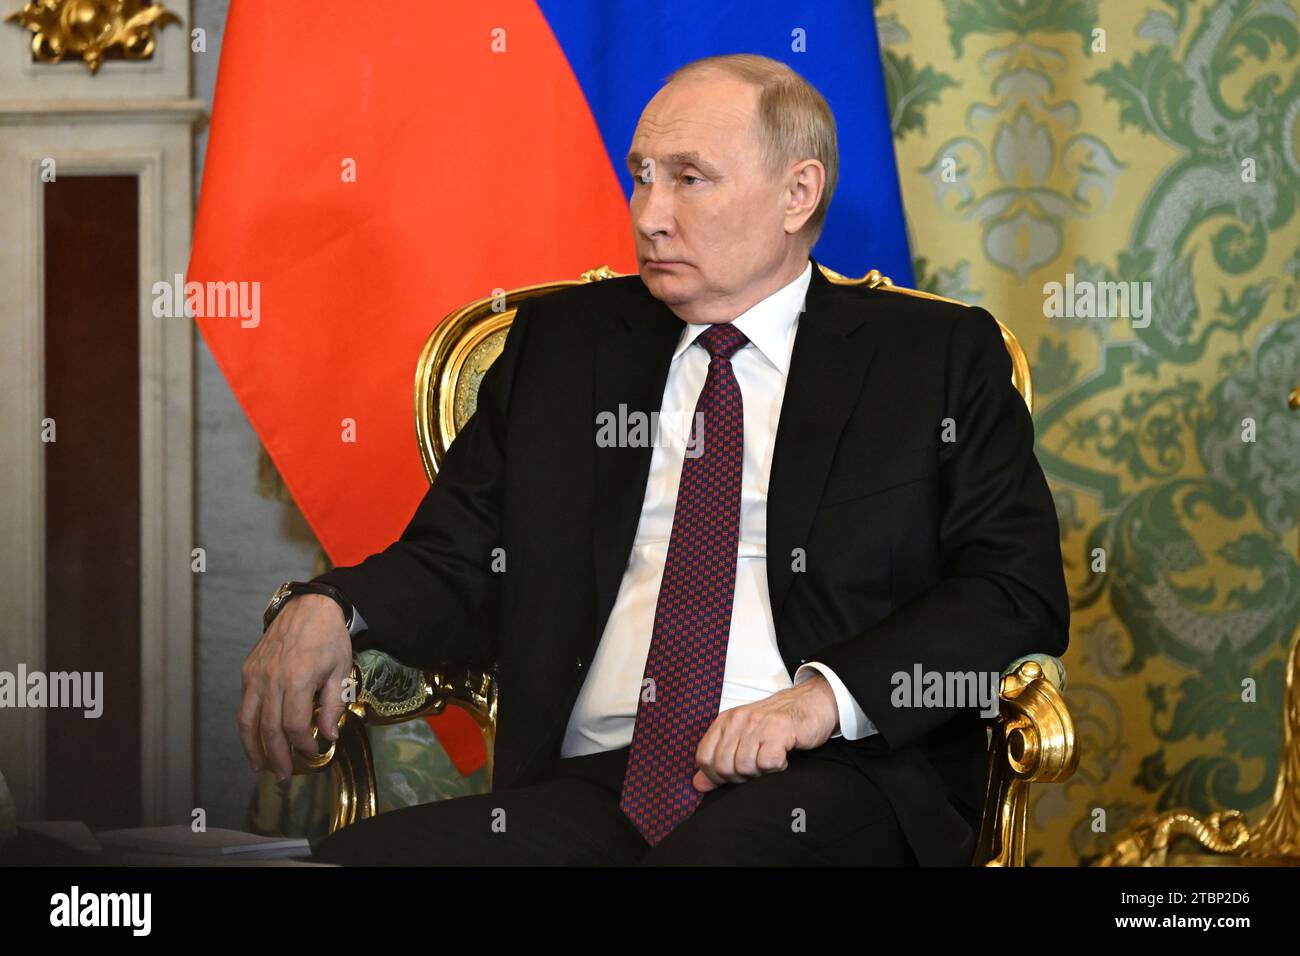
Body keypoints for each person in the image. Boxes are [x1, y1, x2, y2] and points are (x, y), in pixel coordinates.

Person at [237, 53, 1068, 866]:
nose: (648, 213)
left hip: (835, 776)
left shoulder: (928, 359)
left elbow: (1014, 589)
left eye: (688, 178)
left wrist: (824, 700)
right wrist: (330, 607)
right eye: (641, 175)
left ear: (797, 193)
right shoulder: (566, 348)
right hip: (596, 785)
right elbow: (456, 558)